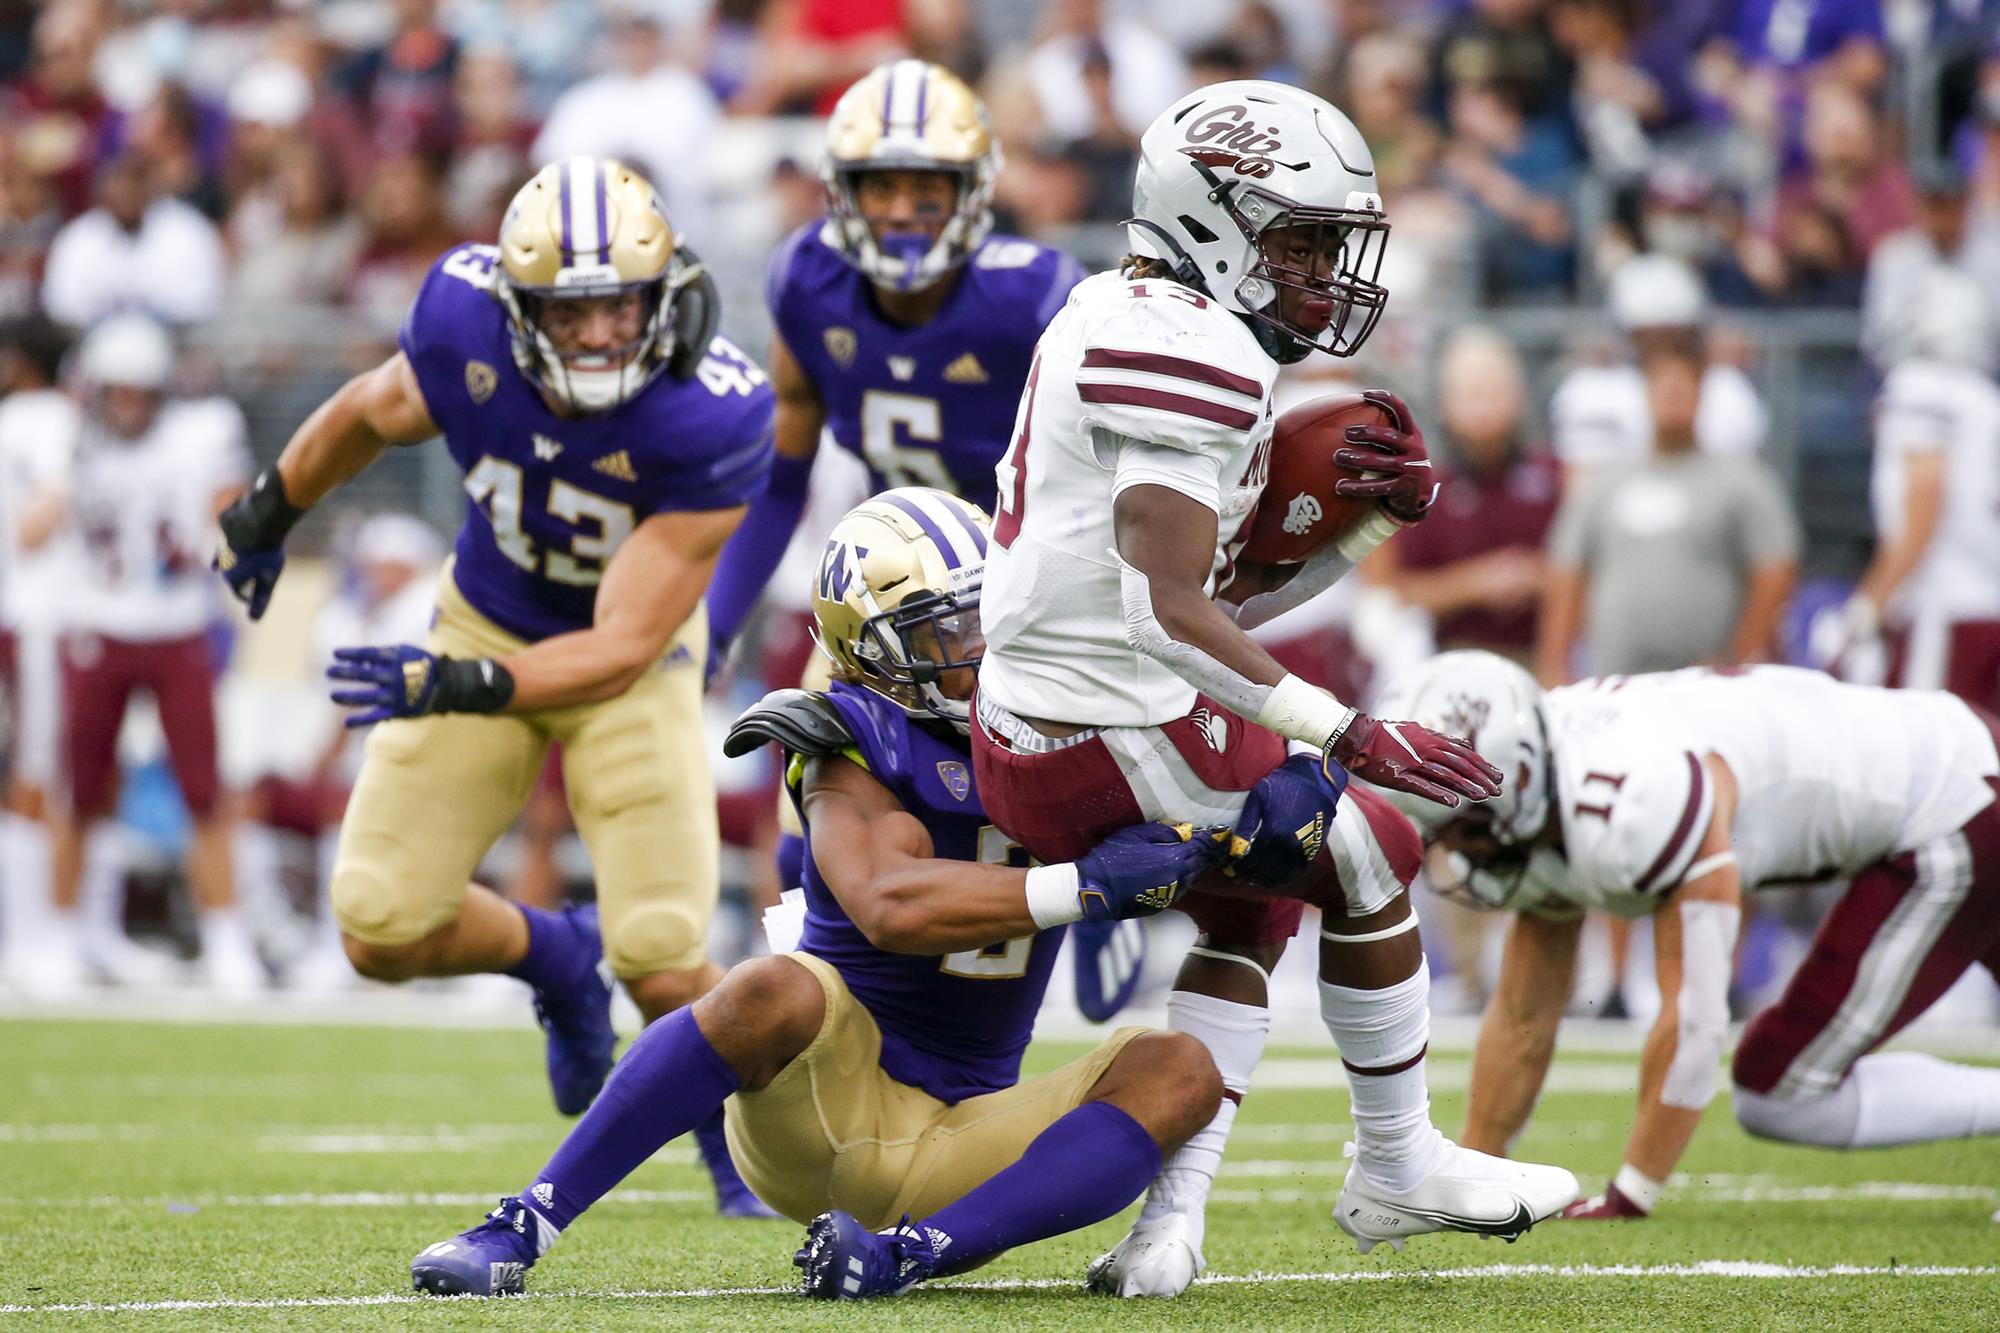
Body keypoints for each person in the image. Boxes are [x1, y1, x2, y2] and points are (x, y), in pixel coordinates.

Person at [970, 80, 1577, 1296]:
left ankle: (1166, 1229)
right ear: (1210, 219)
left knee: (1257, 903)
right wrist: (1346, 733)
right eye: (1297, 242)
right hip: (1101, 726)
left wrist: (1358, 539)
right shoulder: (1181, 347)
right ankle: (1396, 1160)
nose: (1319, 273)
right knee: (1371, 850)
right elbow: (1167, 614)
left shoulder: (1139, 311)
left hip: (1075, 709)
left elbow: (1215, 603)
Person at [408, 490, 1227, 1298]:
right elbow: (889, 902)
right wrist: (1084, 888)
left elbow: (1207, 812)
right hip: (821, 1107)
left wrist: (1266, 808)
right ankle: (520, 1225)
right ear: (872, 652)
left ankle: (904, 1257)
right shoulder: (853, 735)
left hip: (971, 1136)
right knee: (773, 985)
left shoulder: (1069, 716)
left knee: (1183, 1069)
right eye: (946, 629)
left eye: (989, 614)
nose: (982, 644)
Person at [210, 157, 776, 1213]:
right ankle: (553, 952)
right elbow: (370, 410)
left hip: (631, 666)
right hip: (487, 613)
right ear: (518, 311)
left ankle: (726, 1134)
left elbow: (618, 645)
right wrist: (267, 510)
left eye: (620, 307)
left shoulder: (712, 412)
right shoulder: (461, 323)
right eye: (570, 313)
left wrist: (459, 682)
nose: (600, 335)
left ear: (662, 298)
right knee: (378, 925)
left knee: (661, 956)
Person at [702, 60, 1140, 1019]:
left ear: (972, 192)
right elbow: (780, 477)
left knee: (1062, 787)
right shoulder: (807, 280)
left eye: (926, 188)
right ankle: (817, 1002)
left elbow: (1108, 467)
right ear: (842, 192)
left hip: (1025, 592)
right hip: (894, 598)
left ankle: (1106, 883)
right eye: (882, 186)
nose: (902, 210)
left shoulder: (1033, 296)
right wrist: (717, 621)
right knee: (810, 790)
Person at [1376, 652, 2000, 1220]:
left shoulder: (1640, 797)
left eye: (1461, 828)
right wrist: (1474, 1178)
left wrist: (1632, 1194)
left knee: (1781, 1087)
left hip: (1952, 800)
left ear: (1515, 782)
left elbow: (1696, 1016)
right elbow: (1524, 1013)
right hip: (1954, 762)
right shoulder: (1549, 778)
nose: (1454, 851)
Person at [48, 313, 263, 994]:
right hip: (97, 621)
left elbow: (229, 507)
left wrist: (224, 535)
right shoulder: (68, 440)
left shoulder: (202, 433)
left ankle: (226, 937)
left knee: (204, 789)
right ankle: (65, 935)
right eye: (118, 391)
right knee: (81, 790)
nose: (130, 405)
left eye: (141, 392)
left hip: (177, 624)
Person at [1537, 336, 1799, 685]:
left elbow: (1775, 568)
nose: (1672, 399)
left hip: (1706, 683)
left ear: (1701, 394)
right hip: (1615, 683)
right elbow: (1567, 570)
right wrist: (1555, 665)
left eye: (1682, 389)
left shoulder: (1740, 480)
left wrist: (1741, 653)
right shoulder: (1605, 483)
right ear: (1645, 394)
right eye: (1663, 388)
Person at [1813, 273, 2000, 712]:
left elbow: (1925, 500)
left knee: (1930, 744)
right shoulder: (1985, 400)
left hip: (1943, 607)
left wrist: (1867, 605)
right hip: (1986, 602)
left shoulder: (1921, 388)